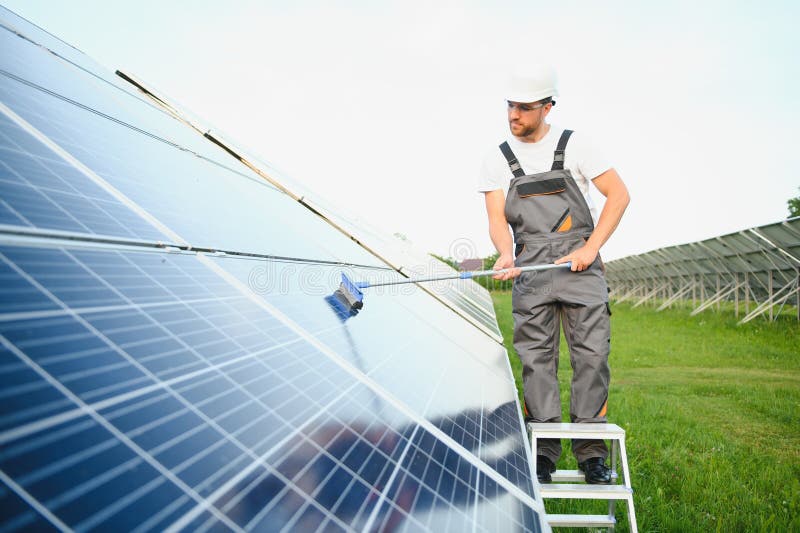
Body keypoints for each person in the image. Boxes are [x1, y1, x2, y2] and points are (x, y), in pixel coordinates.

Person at [477, 66, 630, 485]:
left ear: (547, 107)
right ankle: (542, 451)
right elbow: (496, 218)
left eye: (525, 108)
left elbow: (619, 196)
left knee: (592, 358)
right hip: (532, 270)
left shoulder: (577, 145)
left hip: (581, 266)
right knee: (536, 362)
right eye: (510, 106)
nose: (514, 115)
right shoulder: (496, 158)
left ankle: (591, 454)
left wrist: (591, 248)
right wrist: (506, 253)